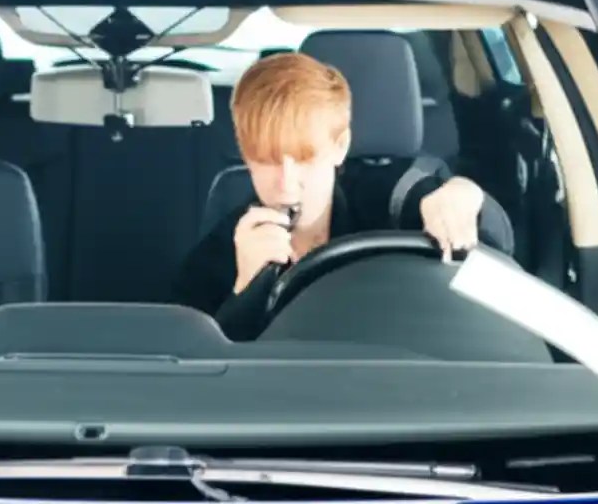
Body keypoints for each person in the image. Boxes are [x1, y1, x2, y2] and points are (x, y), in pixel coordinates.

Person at [173, 52, 508, 341]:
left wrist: (465, 197)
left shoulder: (391, 199)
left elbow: (496, 243)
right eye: (267, 161)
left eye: (305, 160)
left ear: (340, 146)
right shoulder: (220, 253)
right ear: (246, 157)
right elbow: (195, 375)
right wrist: (245, 290)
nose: (288, 183)